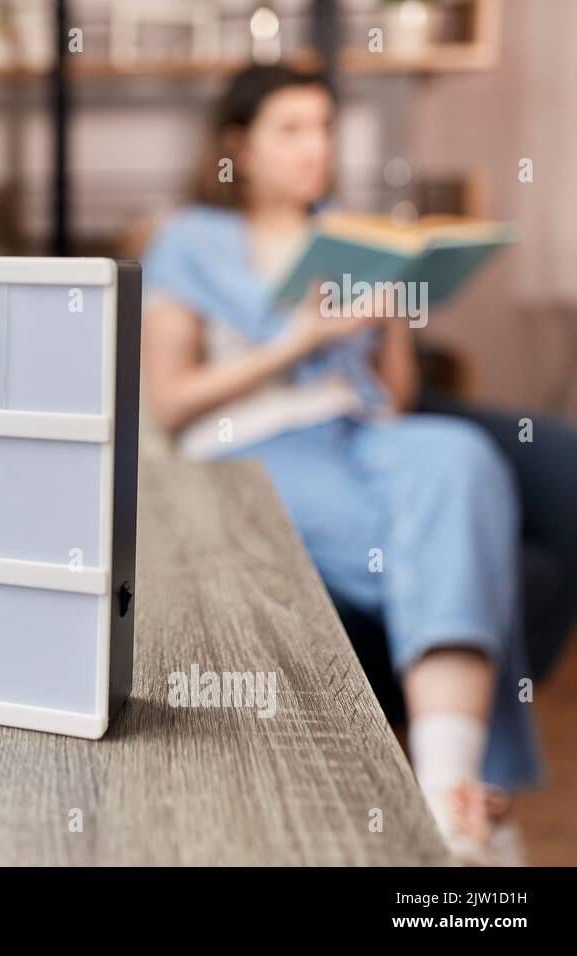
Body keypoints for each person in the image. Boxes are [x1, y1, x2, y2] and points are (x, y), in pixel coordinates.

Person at [138, 63, 542, 865]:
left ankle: (440, 799)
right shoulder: (189, 240)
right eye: (290, 129)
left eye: (324, 127)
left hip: (357, 428)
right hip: (247, 442)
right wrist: (299, 342)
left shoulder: (351, 233)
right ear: (238, 147)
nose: (315, 147)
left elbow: (394, 403)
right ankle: (457, 798)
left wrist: (391, 314)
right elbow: (171, 404)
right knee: (451, 546)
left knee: (460, 455)